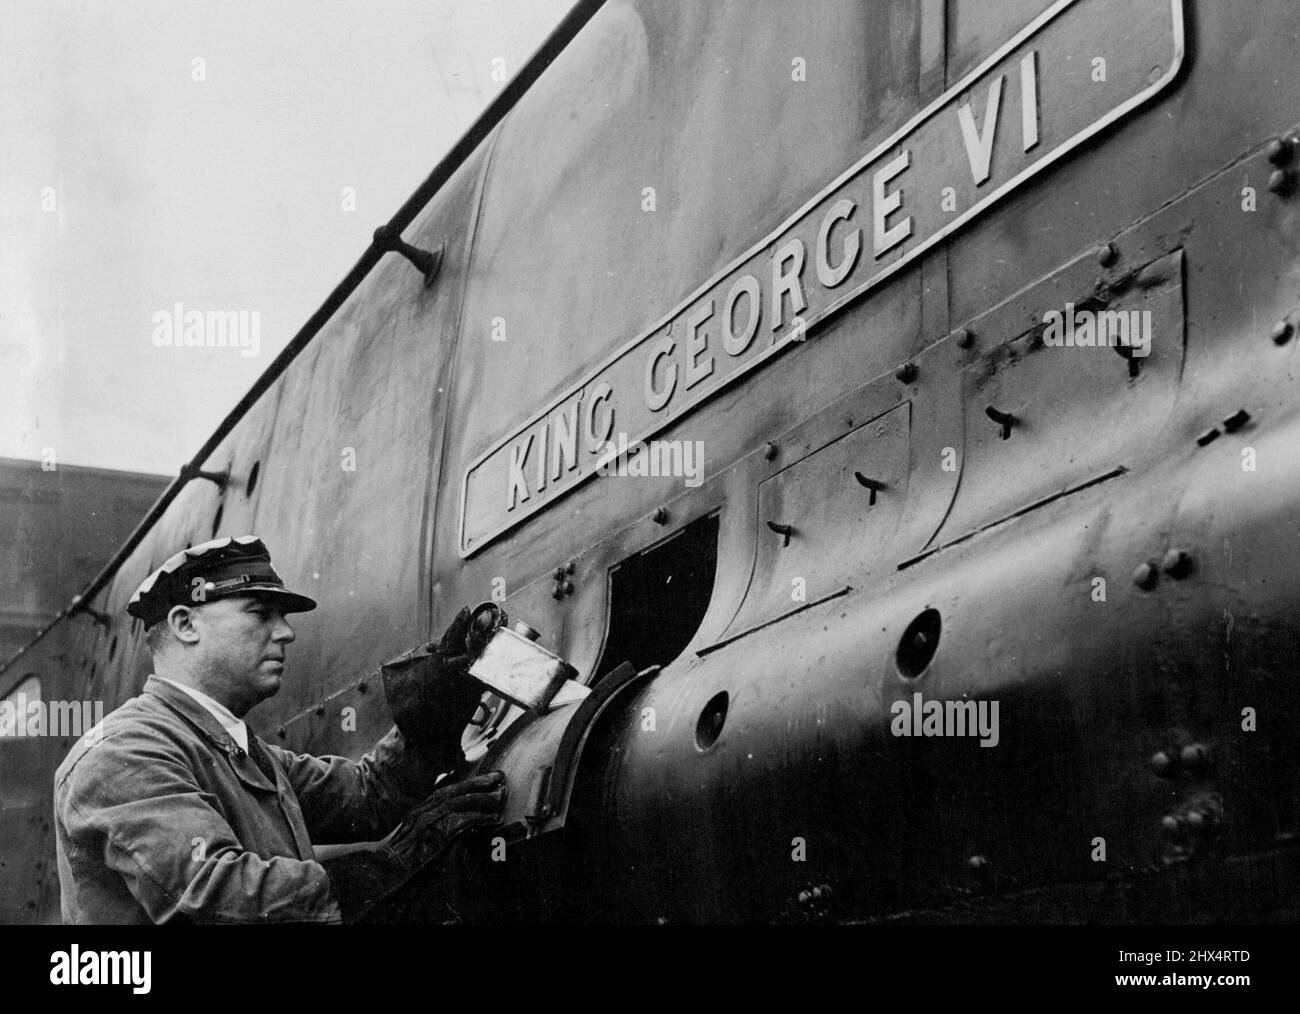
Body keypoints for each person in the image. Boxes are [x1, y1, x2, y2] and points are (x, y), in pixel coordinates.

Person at [53, 535, 504, 924]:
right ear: (185, 624)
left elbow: (368, 797)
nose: (286, 632)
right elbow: (214, 894)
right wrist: (392, 864)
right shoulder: (126, 751)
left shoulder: (241, 750)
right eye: (261, 613)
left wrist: (439, 696)